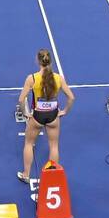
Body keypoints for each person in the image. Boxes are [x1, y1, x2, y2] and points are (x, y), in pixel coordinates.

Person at [16, 49, 75, 183]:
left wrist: (25, 113)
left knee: (29, 144)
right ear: (51, 61)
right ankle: (53, 176)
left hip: (37, 116)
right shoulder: (58, 78)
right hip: (53, 116)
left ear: (38, 61)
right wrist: (65, 111)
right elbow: (71, 97)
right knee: (54, 145)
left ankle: (26, 174)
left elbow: (21, 100)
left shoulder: (32, 78)